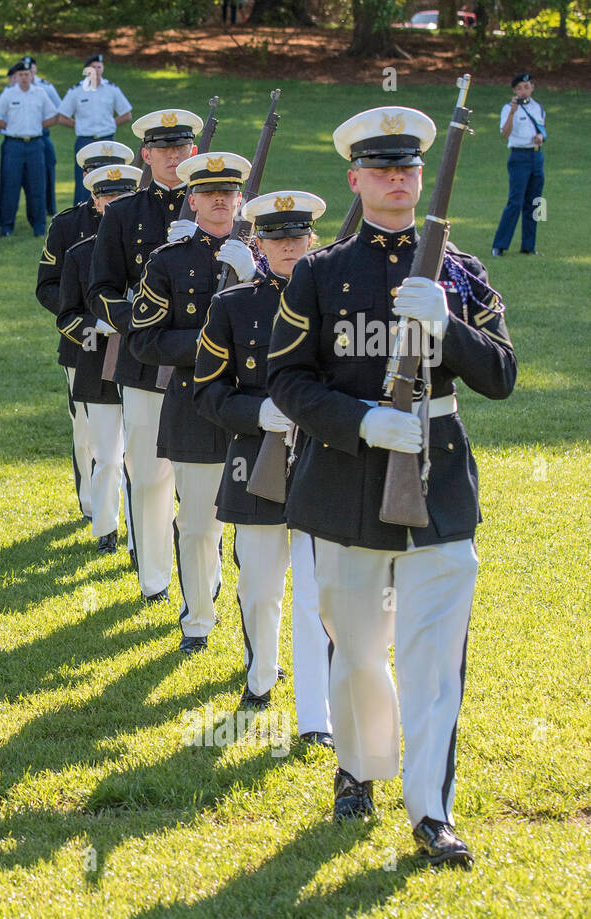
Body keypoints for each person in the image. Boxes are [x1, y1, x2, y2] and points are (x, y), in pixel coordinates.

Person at [267, 106, 516, 866]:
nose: (399, 179)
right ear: (356, 180)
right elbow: (286, 382)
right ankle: (360, 769)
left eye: (408, 168)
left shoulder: (459, 272)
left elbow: (501, 375)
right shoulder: (317, 273)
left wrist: (449, 325)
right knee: (359, 650)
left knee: (434, 657)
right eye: (382, 169)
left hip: (437, 483)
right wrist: (362, 422)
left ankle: (431, 811)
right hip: (345, 479)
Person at [193, 189, 333, 745]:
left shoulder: (334, 299)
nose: (289, 248)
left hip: (324, 457)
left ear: (312, 240)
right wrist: (257, 413)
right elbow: (207, 391)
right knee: (258, 584)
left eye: (298, 237)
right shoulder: (233, 305)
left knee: (320, 593)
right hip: (258, 458)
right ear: (259, 244)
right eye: (277, 239)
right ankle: (261, 674)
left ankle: (317, 710)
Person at [129, 151, 254, 653]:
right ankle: (198, 619)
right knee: (199, 523)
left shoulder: (267, 257)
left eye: (228, 191)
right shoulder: (169, 262)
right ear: (193, 200)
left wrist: (256, 277)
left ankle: (259, 640)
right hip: (195, 405)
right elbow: (143, 340)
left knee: (256, 535)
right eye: (209, 192)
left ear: (240, 198)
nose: (220, 199)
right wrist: (206, 344)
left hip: (256, 409)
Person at [87, 108, 200, 606]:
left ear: (193, 152)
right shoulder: (123, 214)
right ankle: (155, 578)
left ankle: (203, 581)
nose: (173, 157)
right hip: (144, 359)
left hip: (206, 360)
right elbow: (101, 290)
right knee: (150, 475)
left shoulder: (217, 207)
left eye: (181, 148)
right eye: (163, 149)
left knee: (201, 478)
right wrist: (141, 321)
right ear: (146, 155)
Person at [36, 140, 134, 524]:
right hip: (83, 341)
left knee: (127, 436)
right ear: (87, 182)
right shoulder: (67, 226)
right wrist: (90, 314)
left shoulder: (137, 223)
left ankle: (122, 514)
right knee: (86, 433)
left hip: (129, 342)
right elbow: (47, 287)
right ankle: (92, 507)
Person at [57, 163, 142, 554]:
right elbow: (67, 315)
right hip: (97, 362)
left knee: (140, 459)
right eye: (108, 197)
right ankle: (107, 528)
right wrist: (99, 326)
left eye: (124, 197)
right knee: (107, 454)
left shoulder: (150, 249)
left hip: (144, 362)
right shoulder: (79, 255)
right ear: (95, 200)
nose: (116, 203)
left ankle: (139, 539)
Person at [0, 60, 57, 237]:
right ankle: (6, 227)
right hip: (14, 144)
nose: (24, 78)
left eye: (27, 74)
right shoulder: (8, 94)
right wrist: (10, 127)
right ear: (16, 77)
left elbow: (53, 116)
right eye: (21, 75)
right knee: (10, 186)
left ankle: (39, 227)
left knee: (37, 186)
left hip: (35, 144)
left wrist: (37, 126)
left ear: (31, 75)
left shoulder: (40, 93)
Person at [57, 55, 132, 205]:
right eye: (93, 67)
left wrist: (110, 124)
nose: (97, 70)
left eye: (99, 67)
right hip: (86, 141)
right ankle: (81, 215)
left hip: (107, 140)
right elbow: (62, 117)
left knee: (109, 180)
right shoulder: (77, 91)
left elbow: (127, 114)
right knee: (83, 181)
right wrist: (79, 126)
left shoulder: (111, 90)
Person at [491, 72, 547, 257]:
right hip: (519, 157)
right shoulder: (508, 109)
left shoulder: (538, 107)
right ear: (514, 90)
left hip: (536, 156)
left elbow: (542, 128)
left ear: (532, 87)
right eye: (519, 88)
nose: (523, 91)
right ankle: (500, 245)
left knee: (534, 203)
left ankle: (529, 246)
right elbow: (505, 133)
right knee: (515, 201)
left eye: (526, 86)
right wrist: (513, 113)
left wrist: (541, 137)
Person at [26, 57, 61, 220]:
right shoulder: (16, 87)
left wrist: (40, 125)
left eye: (31, 69)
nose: (29, 73)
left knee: (47, 171)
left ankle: (50, 207)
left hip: (42, 135)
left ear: (35, 70)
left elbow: (58, 111)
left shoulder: (45, 87)